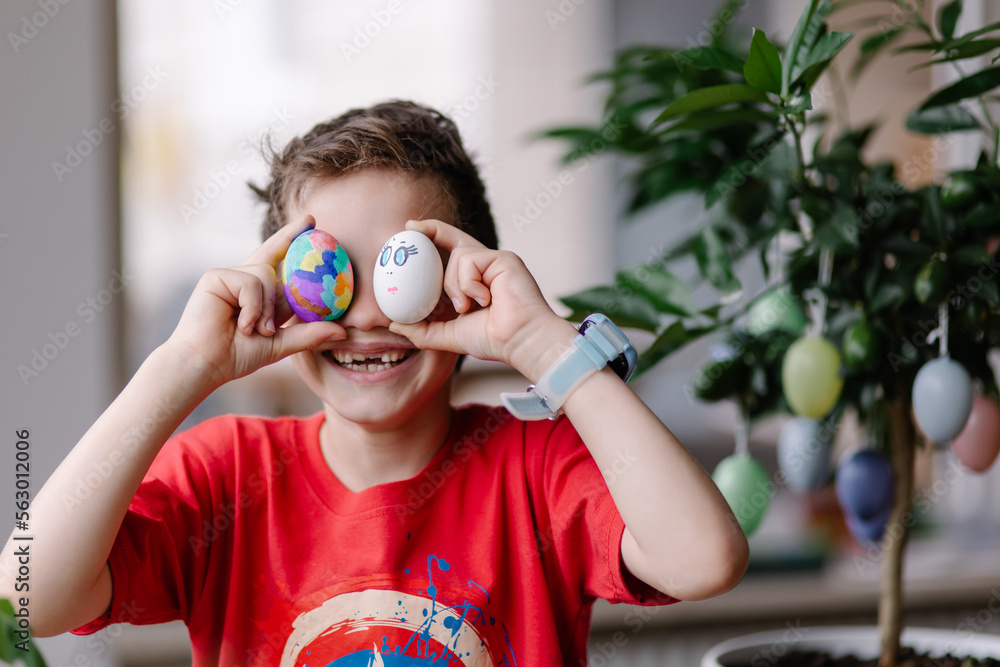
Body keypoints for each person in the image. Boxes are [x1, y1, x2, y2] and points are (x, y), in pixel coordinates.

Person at [1, 100, 748, 666]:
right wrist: (180, 367)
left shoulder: (535, 468)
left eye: (399, 275)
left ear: (468, 281)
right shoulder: (229, 474)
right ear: (276, 287)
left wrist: (540, 339)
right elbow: (26, 595)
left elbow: (704, 558)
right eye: (326, 273)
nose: (362, 317)